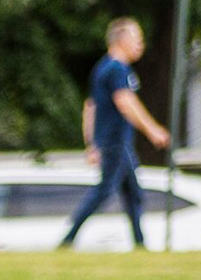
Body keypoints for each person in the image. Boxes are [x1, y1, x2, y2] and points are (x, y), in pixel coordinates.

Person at [55, 18, 176, 251]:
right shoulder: (117, 69)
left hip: (115, 143)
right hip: (115, 143)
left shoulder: (103, 68)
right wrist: (152, 129)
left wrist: (91, 144)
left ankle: (140, 244)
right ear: (123, 40)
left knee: (133, 194)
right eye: (137, 39)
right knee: (105, 191)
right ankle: (67, 240)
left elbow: (90, 108)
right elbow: (125, 102)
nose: (141, 45)